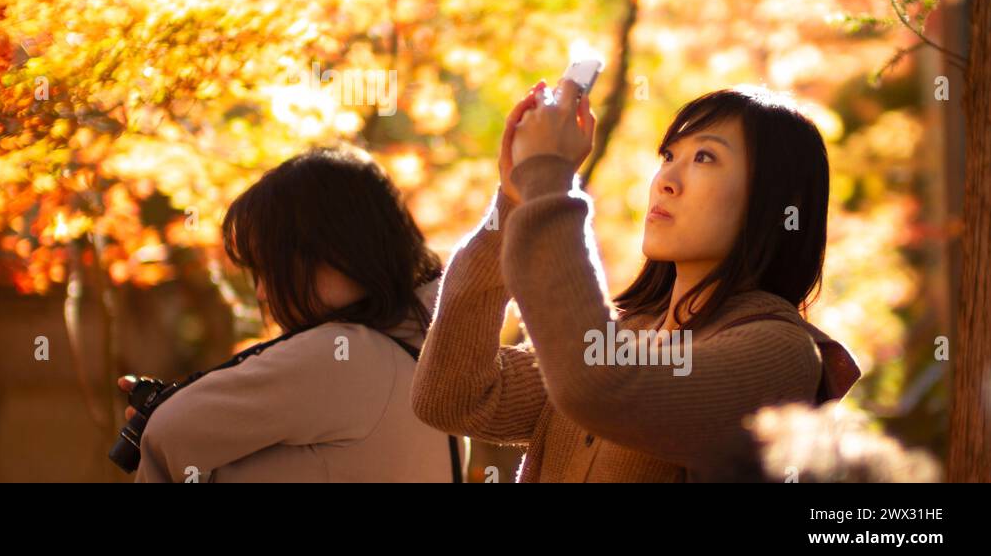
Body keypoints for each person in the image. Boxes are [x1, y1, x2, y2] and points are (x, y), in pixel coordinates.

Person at [412, 78, 861, 481]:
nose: (667, 178)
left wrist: (551, 180)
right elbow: (453, 396)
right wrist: (514, 199)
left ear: (775, 200)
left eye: (705, 157)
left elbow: (605, 389)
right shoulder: (628, 335)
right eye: (668, 155)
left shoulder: (781, 353)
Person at [122, 146, 463, 482]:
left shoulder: (344, 353)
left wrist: (162, 414)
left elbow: (168, 433)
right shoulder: (431, 367)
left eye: (271, 267)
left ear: (334, 248)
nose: (261, 293)